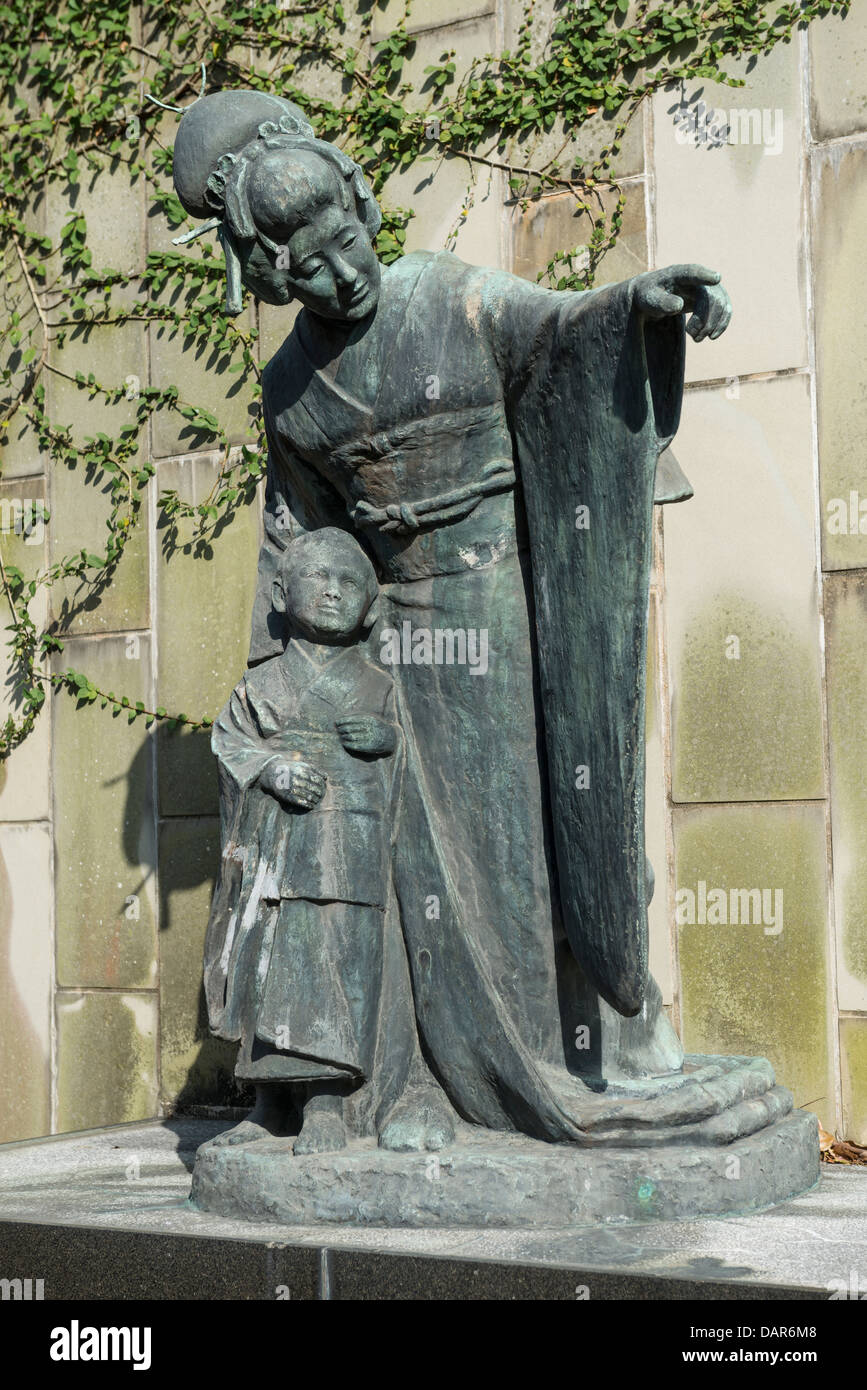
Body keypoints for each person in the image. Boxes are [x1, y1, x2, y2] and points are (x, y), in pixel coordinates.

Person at [173, 92, 787, 1153]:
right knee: (420, 865)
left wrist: (637, 300)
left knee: (539, 843)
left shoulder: (446, 296)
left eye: (346, 238)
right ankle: (426, 1081)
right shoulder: (291, 394)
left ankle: (576, 1060)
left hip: (505, 604)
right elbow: (300, 553)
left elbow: (557, 329)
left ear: (365, 211)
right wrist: (290, 710)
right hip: (396, 644)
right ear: (271, 278)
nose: (341, 272)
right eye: (307, 265)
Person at [204, 527, 408, 1153]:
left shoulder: (379, 686)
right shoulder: (260, 685)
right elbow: (228, 744)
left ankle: (326, 1104)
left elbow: (416, 777)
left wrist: (388, 743)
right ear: (281, 589)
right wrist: (270, 768)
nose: (333, 592)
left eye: (350, 583)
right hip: (275, 854)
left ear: (370, 607)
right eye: (318, 578)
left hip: (349, 852)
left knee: (339, 963)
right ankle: (266, 1103)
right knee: (266, 962)